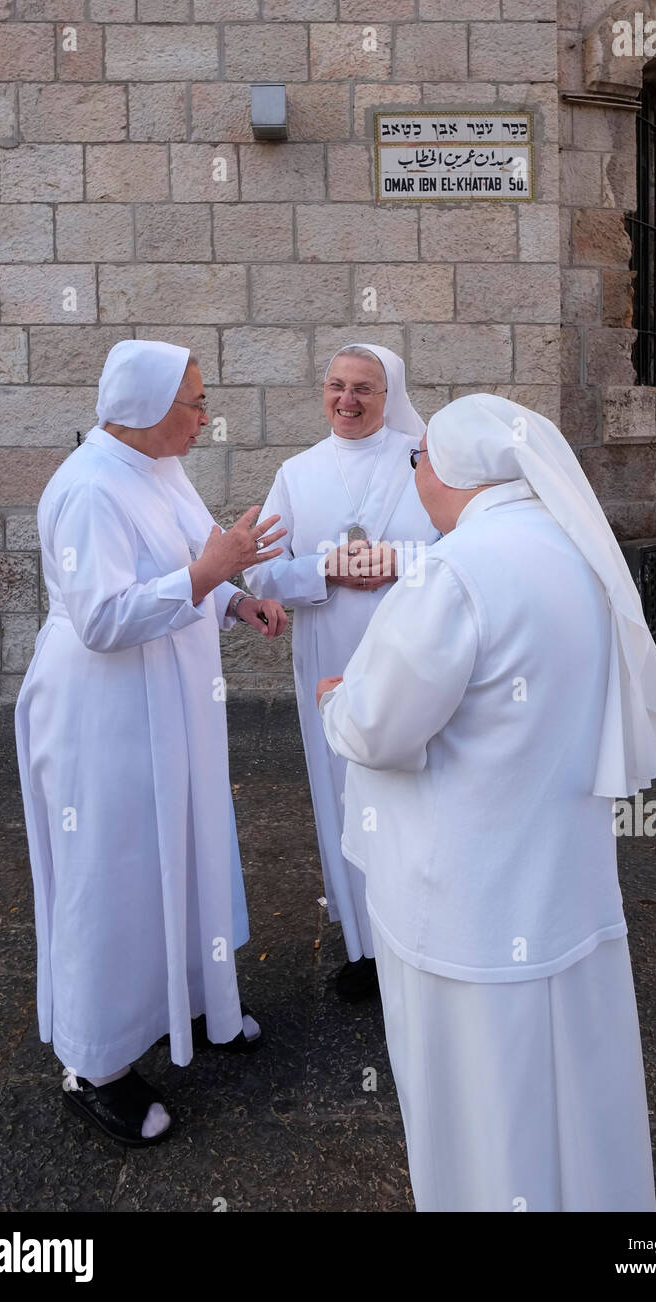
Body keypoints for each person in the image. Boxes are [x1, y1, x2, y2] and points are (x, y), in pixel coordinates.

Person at [317, 393, 656, 1211]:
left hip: (467, 900)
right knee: (570, 1084)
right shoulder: (571, 547)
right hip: (559, 878)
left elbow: (380, 728)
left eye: (418, 457)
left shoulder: (456, 571)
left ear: (452, 469)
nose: (414, 469)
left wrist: (335, 699)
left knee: (479, 1106)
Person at [15, 339, 288, 1147]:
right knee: (115, 869)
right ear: (144, 407)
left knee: (186, 845)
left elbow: (193, 550)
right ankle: (93, 1066)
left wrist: (235, 599)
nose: (206, 416)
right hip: (106, 712)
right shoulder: (88, 489)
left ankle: (193, 1001)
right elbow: (102, 620)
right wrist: (211, 577)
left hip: (170, 701)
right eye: (193, 403)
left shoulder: (157, 465)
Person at [243, 344, 439, 1001]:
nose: (347, 400)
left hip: (414, 652)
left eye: (364, 389)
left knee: (417, 791)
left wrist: (397, 561)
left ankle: (423, 936)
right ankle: (365, 944)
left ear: (391, 396)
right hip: (328, 652)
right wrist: (323, 568)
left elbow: (468, 549)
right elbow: (261, 573)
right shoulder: (297, 473)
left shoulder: (424, 462)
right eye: (336, 385)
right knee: (341, 792)